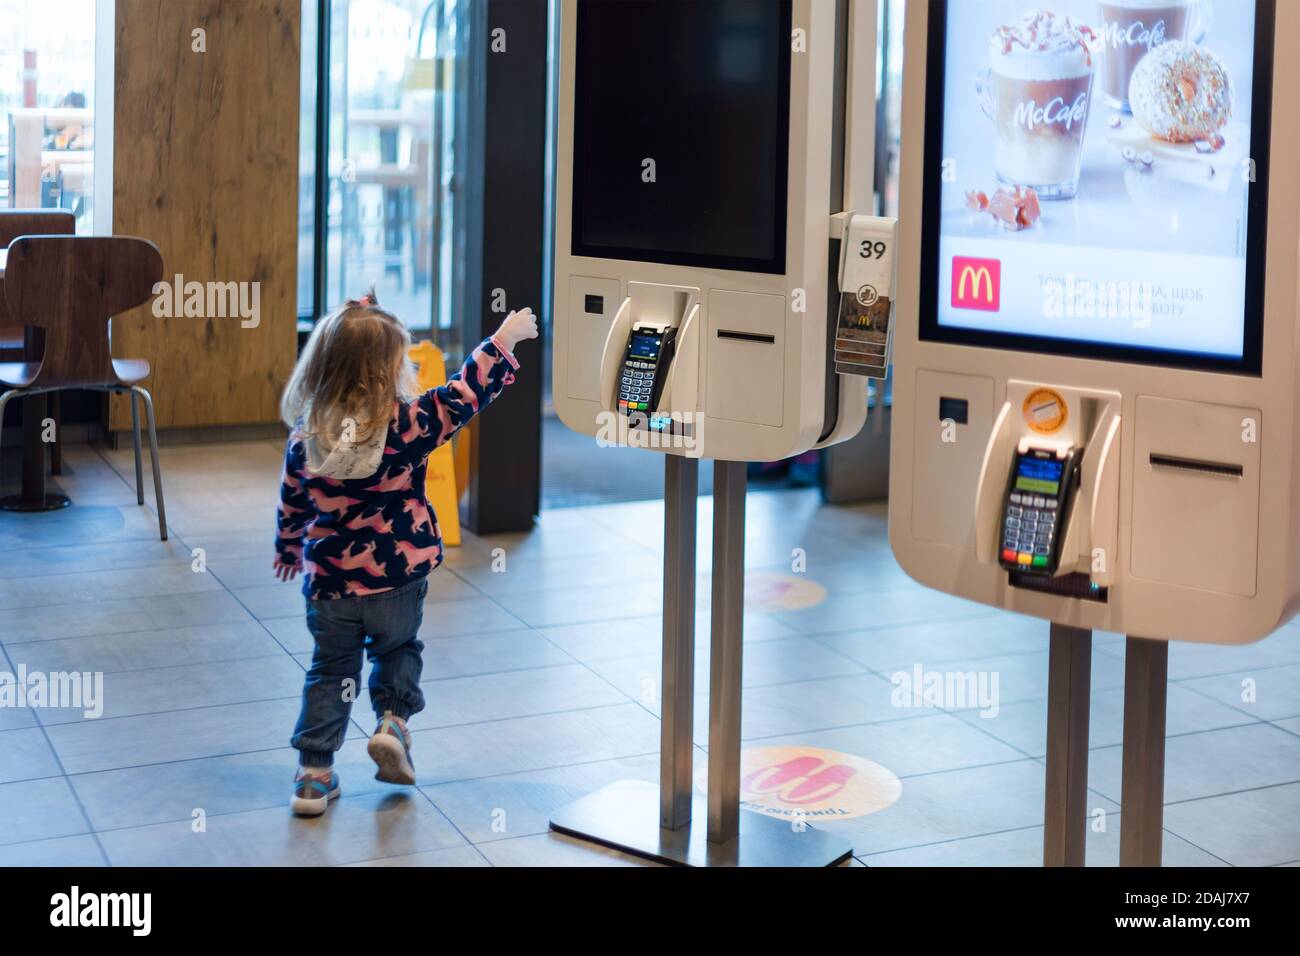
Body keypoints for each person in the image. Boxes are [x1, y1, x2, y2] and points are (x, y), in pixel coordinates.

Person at [273, 291, 537, 815]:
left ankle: (313, 776)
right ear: (388, 370)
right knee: (397, 650)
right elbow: (464, 394)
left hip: (330, 584)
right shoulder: (409, 423)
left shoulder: (306, 438)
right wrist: (503, 340)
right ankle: (392, 723)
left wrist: (287, 548)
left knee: (330, 670)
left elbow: (292, 503)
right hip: (397, 576)